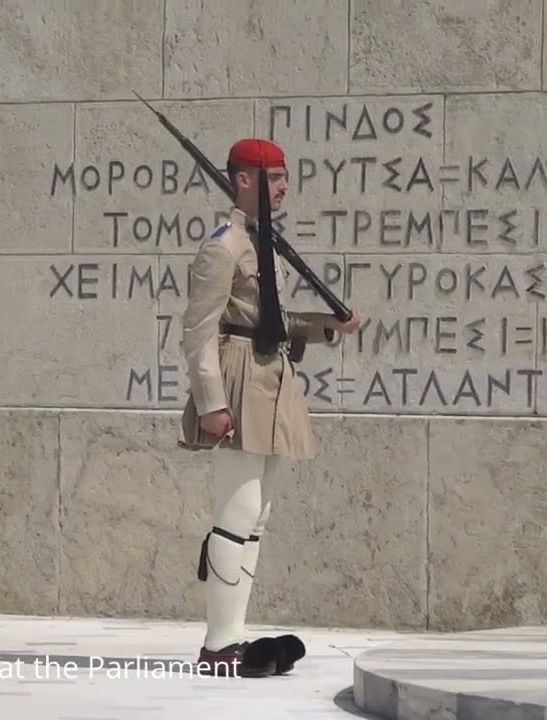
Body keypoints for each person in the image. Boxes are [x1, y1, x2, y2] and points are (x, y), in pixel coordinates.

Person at [178, 137, 361, 678]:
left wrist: (325, 326)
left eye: (284, 177)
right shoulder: (223, 247)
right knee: (235, 513)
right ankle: (218, 645)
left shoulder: (263, 243)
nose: (284, 187)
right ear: (243, 180)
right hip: (238, 378)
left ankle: (234, 632)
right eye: (275, 177)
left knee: (256, 515)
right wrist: (211, 402)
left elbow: (271, 321)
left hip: (272, 378)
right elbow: (198, 331)